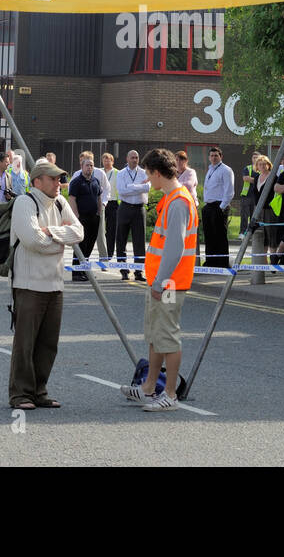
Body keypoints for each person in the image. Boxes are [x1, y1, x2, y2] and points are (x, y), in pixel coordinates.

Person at [119, 148, 198, 412]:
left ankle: (171, 394)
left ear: (156, 172)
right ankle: (149, 388)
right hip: (165, 281)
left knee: (168, 336)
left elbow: (174, 248)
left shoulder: (177, 202)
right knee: (156, 335)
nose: (147, 181)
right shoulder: (172, 198)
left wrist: (160, 282)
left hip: (169, 283)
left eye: (148, 175)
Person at [8, 158, 84, 411]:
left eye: (60, 179)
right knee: (25, 343)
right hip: (30, 285)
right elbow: (33, 241)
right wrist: (61, 239)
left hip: (55, 283)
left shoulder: (61, 202)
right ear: (37, 181)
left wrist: (50, 233)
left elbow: (80, 232)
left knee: (48, 344)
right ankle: (20, 394)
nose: (59, 183)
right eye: (53, 179)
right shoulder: (24, 202)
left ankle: (39, 391)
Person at [114, 150, 151, 282]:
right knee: (121, 240)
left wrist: (132, 187)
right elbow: (122, 191)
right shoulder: (121, 173)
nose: (135, 160)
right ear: (127, 158)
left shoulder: (144, 172)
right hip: (124, 208)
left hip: (139, 209)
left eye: (136, 157)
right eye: (132, 158)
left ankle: (139, 271)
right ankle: (124, 270)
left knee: (139, 242)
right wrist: (138, 187)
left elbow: (147, 187)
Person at [67, 156, 104, 282]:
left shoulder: (96, 181)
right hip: (81, 218)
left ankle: (85, 271)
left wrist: (99, 212)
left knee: (89, 246)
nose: (89, 167)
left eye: (91, 165)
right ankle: (77, 273)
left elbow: (99, 198)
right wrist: (76, 217)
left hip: (94, 218)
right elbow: (72, 199)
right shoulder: (76, 182)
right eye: (87, 165)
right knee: (81, 245)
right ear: (82, 167)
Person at [201, 146, 235, 268]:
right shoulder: (210, 169)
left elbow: (229, 191)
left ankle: (222, 263)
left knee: (220, 235)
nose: (214, 158)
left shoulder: (226, 170)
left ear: (221, 156)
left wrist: (222, 207)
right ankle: (210, 261)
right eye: (212, 155)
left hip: (219, 206)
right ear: (209, 157)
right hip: (208, 206)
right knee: (209, 235)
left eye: (216, 155)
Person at [251, 156, 279, 258]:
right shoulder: (256, 178)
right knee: (261, 235)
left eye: (264, 164)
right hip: (258, 210)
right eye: (260, 164)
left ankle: (273, 258)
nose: (262, 166)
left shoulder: (273, 177)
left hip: (269, 210)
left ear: (268, 165)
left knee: (271, 234)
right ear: (257, 166)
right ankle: (263, 261)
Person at [237, 152, 262, 240]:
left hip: (256, 197)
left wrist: (253, 180)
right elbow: (245, 178)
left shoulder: (262, 169)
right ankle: (242, 233)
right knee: (244, 215)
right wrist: (258, 180)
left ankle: (251, 234)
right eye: (253, 157)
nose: (255, 159)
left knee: (254, 216)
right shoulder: (247, 168)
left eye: (257, 158)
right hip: (246, 195)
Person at [101, 152, 120, 263]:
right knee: (101, 230)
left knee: (111, 230)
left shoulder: (117, 172)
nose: (106, 161)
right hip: (102, 203)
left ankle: (109, 253)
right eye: (104, 159)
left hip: (113, 203)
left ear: (112, 161)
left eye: (108, 160)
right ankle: (102, 253)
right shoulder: (99, 171)